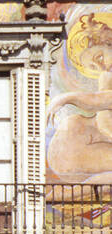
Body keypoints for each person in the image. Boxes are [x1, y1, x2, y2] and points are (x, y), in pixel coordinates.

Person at [48, 13, 112, 186]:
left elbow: (101, 101)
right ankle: (72, 192)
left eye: (99, 58)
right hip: (72, 148)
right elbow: (102, 105)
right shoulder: (107, 77)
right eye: (93, 66)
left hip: (77, 145)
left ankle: (71, 192)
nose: (101, 66)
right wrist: (66, 98)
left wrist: (67, 98)